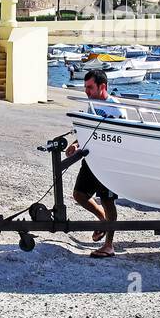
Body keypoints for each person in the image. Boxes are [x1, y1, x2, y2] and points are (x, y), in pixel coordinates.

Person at [65, 69, 121, 258]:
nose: (86, 92)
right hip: (92, 158)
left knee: (107, 200)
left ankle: (109, 245)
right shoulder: (92, 105)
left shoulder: (116, 108)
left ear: (102, 86)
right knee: (79, 194)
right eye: (85, 88)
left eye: (90, 87)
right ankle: (102, 219)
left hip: (109, 162)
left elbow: (123, 138)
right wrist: (75, 143)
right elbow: (87, 131)